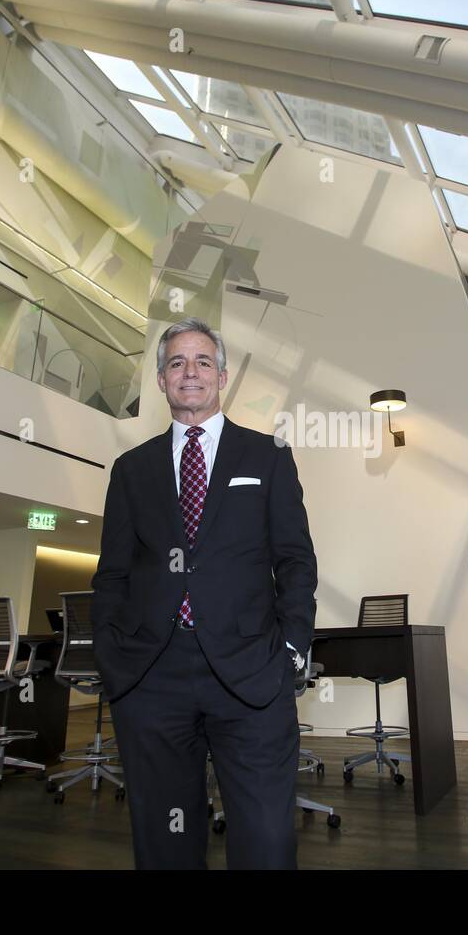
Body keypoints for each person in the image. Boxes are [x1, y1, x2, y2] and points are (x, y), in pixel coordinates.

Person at [91, 317, 317, 870]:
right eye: (176, 363)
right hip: (152, 677)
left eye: (201, 362)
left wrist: (291, 650)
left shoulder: (268, 457)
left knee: (265, 839)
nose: (189, 372)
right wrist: (113, 657)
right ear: (163, 382)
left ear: (221, 376)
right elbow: (112, 574)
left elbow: (295, 561)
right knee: (164, 842)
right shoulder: (131, 470)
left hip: (251, 673)